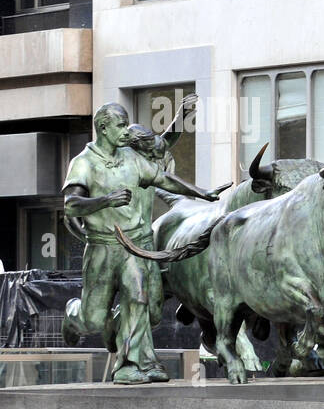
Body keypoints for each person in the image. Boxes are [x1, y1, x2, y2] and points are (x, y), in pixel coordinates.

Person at [62, 102, 224, 384]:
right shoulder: (83, 162)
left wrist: (202, 192)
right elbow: (71, 205)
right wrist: (105, 200)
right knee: (93, 321)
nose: (125, 131)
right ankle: (74, 314)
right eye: (121, 126)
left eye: (127, 125)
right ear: (103, 128)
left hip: (135, 245)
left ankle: (132, 365)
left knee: (139, 300)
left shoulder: (132, 158)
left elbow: (163, 178)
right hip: (102, 248)